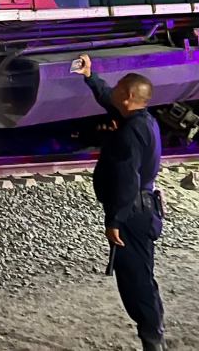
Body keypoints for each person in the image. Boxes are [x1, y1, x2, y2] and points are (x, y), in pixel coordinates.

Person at [73, 54, 166, 351]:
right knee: (140, 277)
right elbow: (109, 100)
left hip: (133, 215)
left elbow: (128, 180)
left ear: (127, 97)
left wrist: (114, 220)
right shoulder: (143, 120)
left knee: (136, 281)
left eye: (116, 89)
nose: (111, 91)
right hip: (142, 210)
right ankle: (153, 334)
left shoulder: (129, 133)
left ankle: (153, 341)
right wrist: (91, 77)